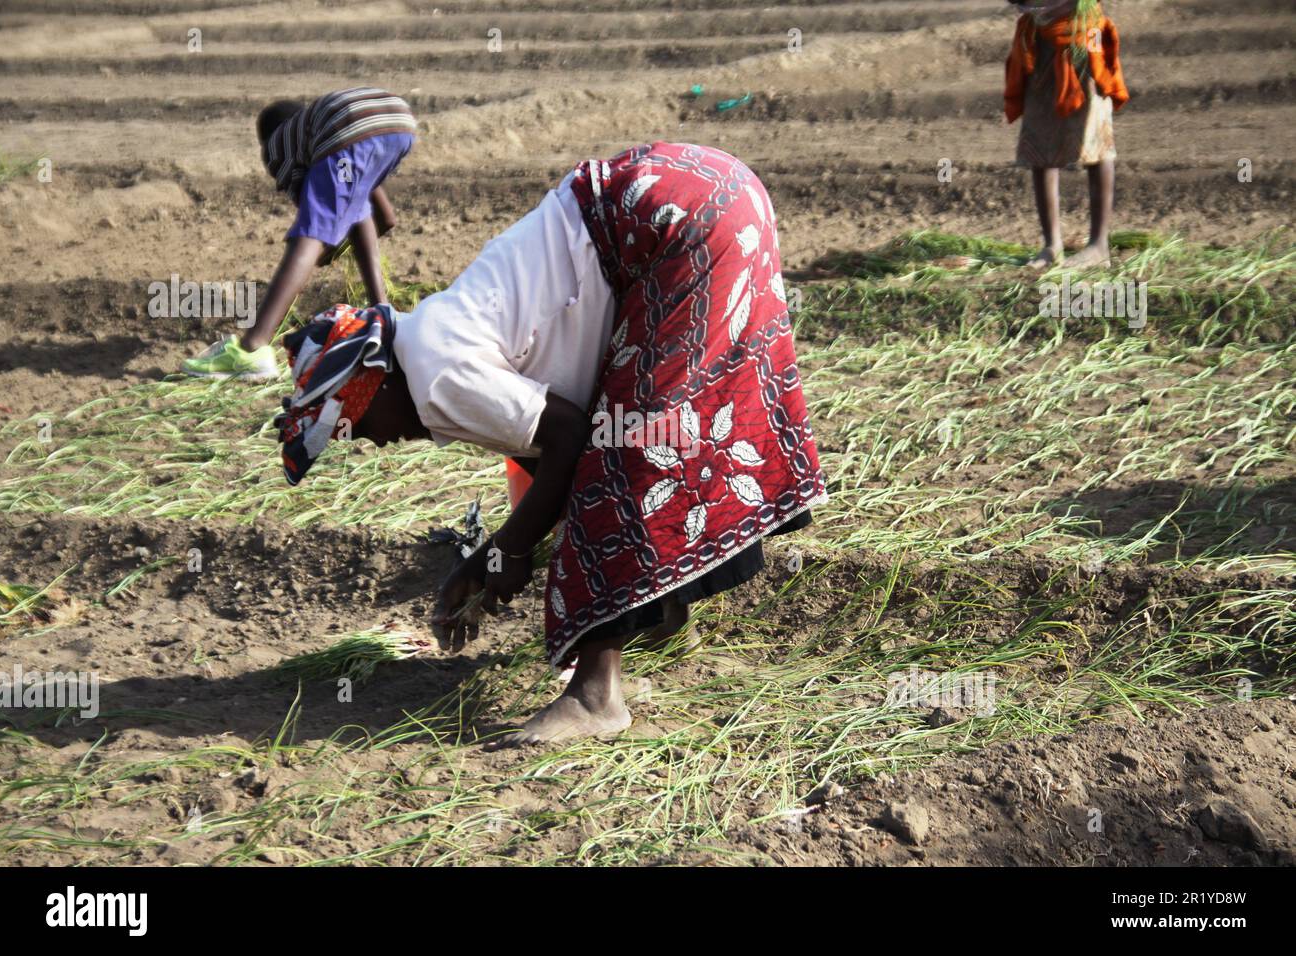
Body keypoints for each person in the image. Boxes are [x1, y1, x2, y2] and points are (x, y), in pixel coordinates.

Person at [273, 142, 828, 746]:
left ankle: (597, 696)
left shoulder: (437, 376)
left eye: (353, 425)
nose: (369, 443)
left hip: (676, 218)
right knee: (652, 431)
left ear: (374, 385)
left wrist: (506, 551)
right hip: (706, 192)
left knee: (624, 452)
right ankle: (665, 621)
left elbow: (571, 439)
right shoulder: (436, 335)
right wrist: (493, 557)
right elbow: (547, 457)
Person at [183, 88, 417, 380]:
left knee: (307, 238)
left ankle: (251, 348)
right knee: (353, 203)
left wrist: (320, 254)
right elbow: (384, 218)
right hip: (399, 122)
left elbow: (315, 230)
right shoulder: (326, 136)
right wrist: (337, 244)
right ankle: (384, 315)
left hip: (349, 125)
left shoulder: (277, 145)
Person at [1005, 0, 1130, 268]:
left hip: (1084, 34)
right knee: (1040, 142)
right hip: (1041, 37)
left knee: (1095, 140)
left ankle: (1099, 246)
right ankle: (1052, 246)